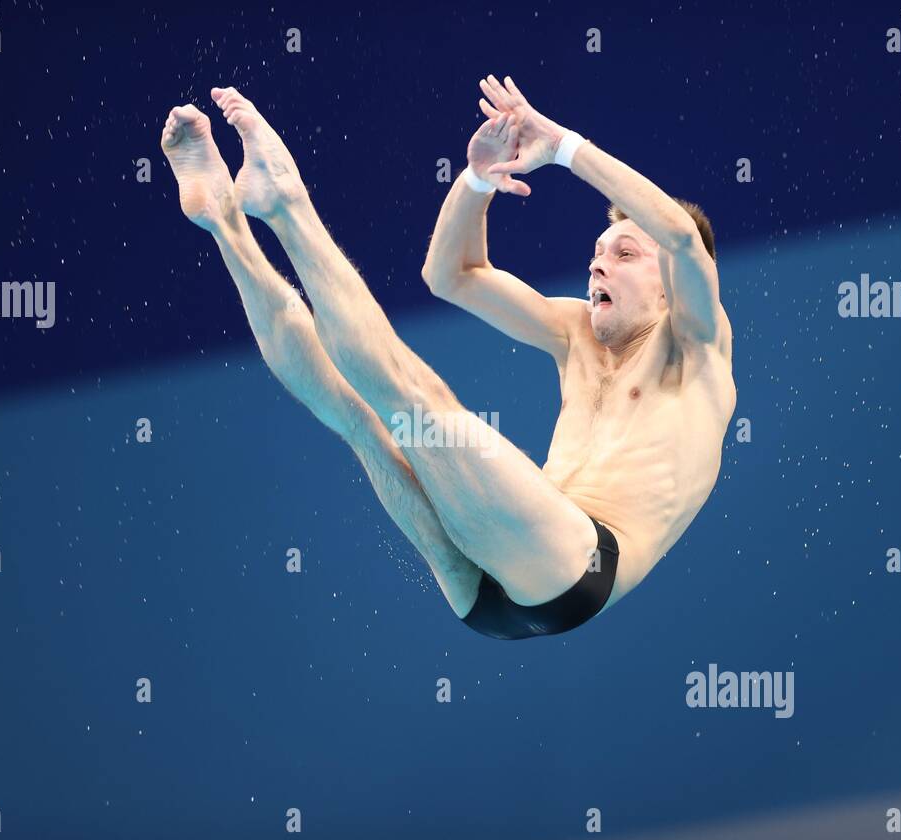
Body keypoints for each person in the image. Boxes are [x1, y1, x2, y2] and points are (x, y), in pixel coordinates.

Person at [160, 75, 735, 640]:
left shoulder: (696, 345)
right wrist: (476, 183)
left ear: (670, 286)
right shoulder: (576, 330)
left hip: (579, 569)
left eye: (625, 253)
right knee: (358, 416)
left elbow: (683, 238)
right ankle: (224, 221)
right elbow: (450, 275)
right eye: (597, 253)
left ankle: (287, 201)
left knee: (420, 402)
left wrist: (561, 145)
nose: (598, 266)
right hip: (491, 583)